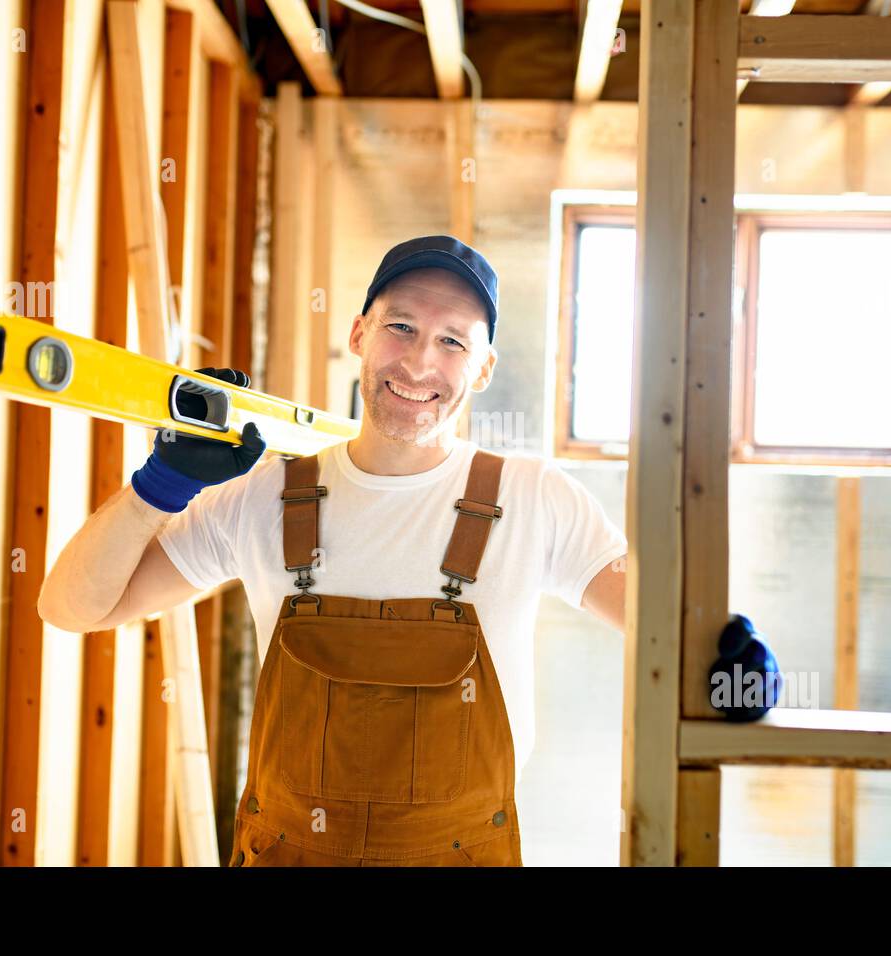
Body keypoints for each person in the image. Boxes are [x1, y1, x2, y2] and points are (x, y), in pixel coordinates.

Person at [38, 235, 628, 866]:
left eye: (453, 340)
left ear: (484, 367)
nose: (420, 361)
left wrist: (739, 661)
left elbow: (666, 633)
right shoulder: (262, 496)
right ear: (358, 334)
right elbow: (71, 608)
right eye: (400, 326)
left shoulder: (534, 500)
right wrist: (160, 487)